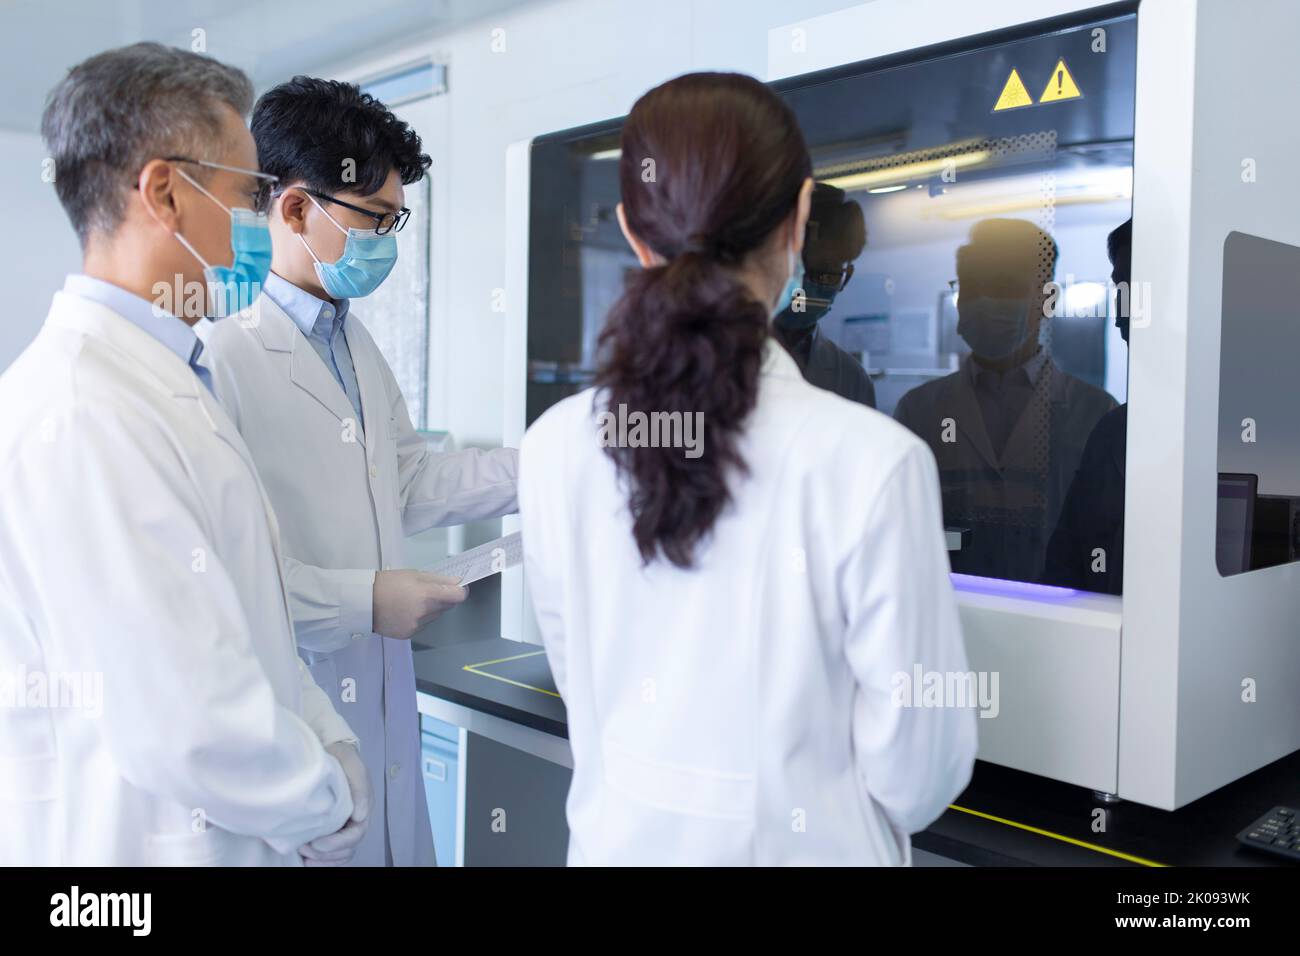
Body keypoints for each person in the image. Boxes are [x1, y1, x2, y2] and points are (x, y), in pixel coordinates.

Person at [518, 72, 976, 866]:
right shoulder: (874, 463)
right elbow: (918, 773)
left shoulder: (557, 445)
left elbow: (583, 685)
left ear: (633, 231)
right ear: (799, 219)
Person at [0, 43, 368, 866]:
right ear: (165, 192)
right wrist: (327, 798)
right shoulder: (84, 411)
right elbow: (184, 723)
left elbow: (248, 622)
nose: (259, 223)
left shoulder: (165, 379)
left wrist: (328, 744)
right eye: (247, 195)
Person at [199, 77, 518, 867]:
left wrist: (545, 469)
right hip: (294, 722)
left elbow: (406, 481)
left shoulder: (353, 344)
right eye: (374, 220)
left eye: (395, 219)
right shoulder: (220, 354)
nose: (387, 242)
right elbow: (219, 580)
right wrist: (363, 600)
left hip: (380, 700)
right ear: (298, 209)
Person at [894, 218, 1116, 583]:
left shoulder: (1094, 413)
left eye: (1004, 287)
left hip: (1060, 621)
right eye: (971, 288)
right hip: (954, 611)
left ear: (1047, 299)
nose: (983, 302)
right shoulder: (918, 410)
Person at [1042, 219, 1132, 593]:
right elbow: (1064, 566)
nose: (1120, 313)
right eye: (1118, 289)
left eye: (1130, 289)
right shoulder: (1113, 432)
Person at [772, 182, 876, 407]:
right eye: (804, 272)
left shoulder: (851, 378)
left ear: (846, 274)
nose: (808, 286)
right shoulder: (713, 360)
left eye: (827, 276)